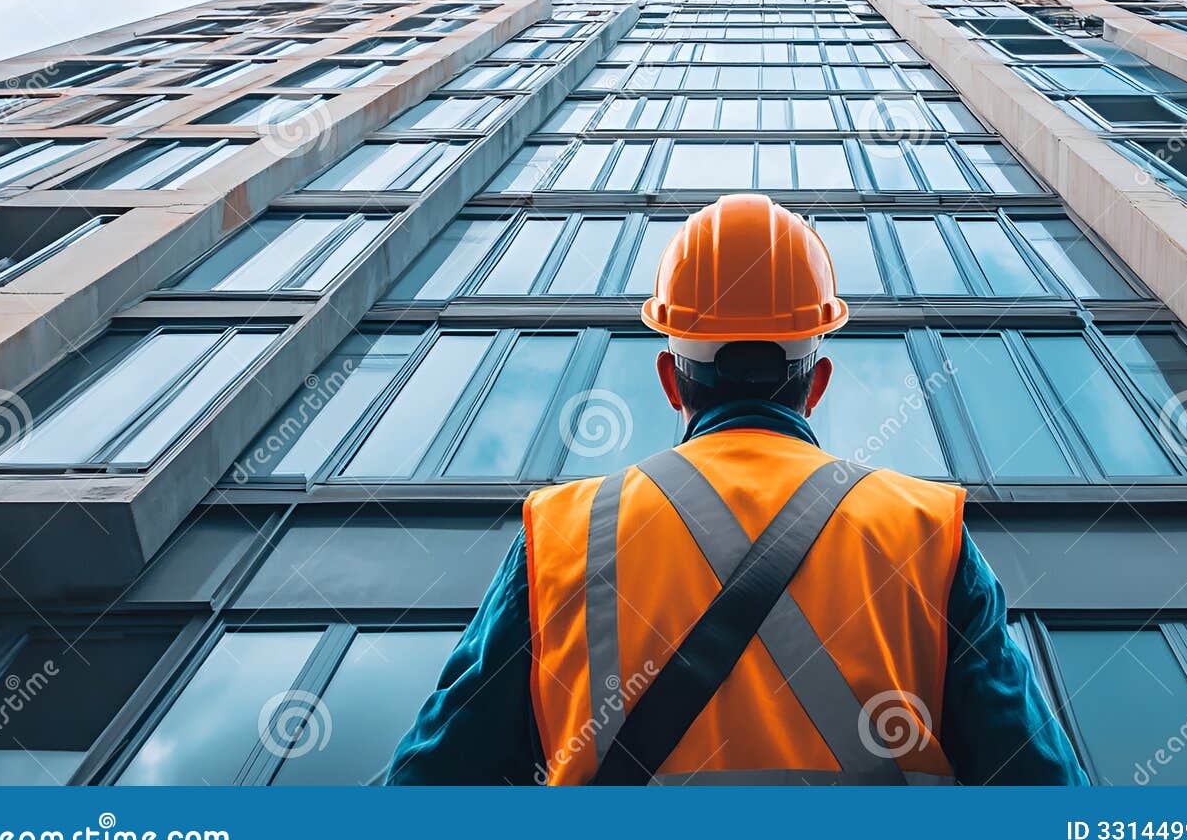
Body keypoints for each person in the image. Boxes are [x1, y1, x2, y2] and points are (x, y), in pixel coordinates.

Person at [386, 193, 1086, 785]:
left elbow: (426, 790)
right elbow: (1046, 798)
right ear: (816, 383)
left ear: (670, 379)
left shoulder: (563, 531)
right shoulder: (926, 528)